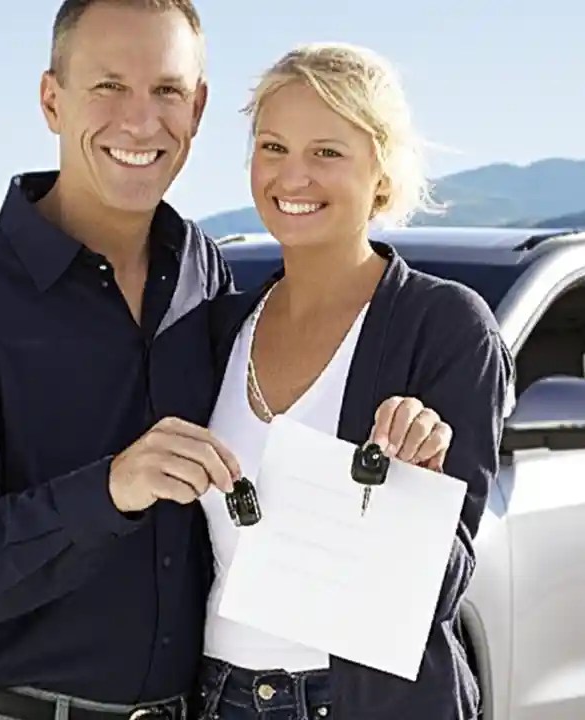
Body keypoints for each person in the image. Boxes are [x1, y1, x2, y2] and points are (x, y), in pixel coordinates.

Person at [0, 2, 456, 719]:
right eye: (109, 87)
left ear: (199, 107)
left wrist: (403, 480)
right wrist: (111, 489)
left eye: (167, 91)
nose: (141, 121)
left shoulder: (205, 279)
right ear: (52, 100)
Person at [191, 43, 513, 720]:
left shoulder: (446, 327)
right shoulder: (219, 328)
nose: (292, 176)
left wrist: (416, 484)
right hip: (216, 698)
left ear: (383, 177)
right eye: (273, 147)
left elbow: (444, 587)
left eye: (327, 153)